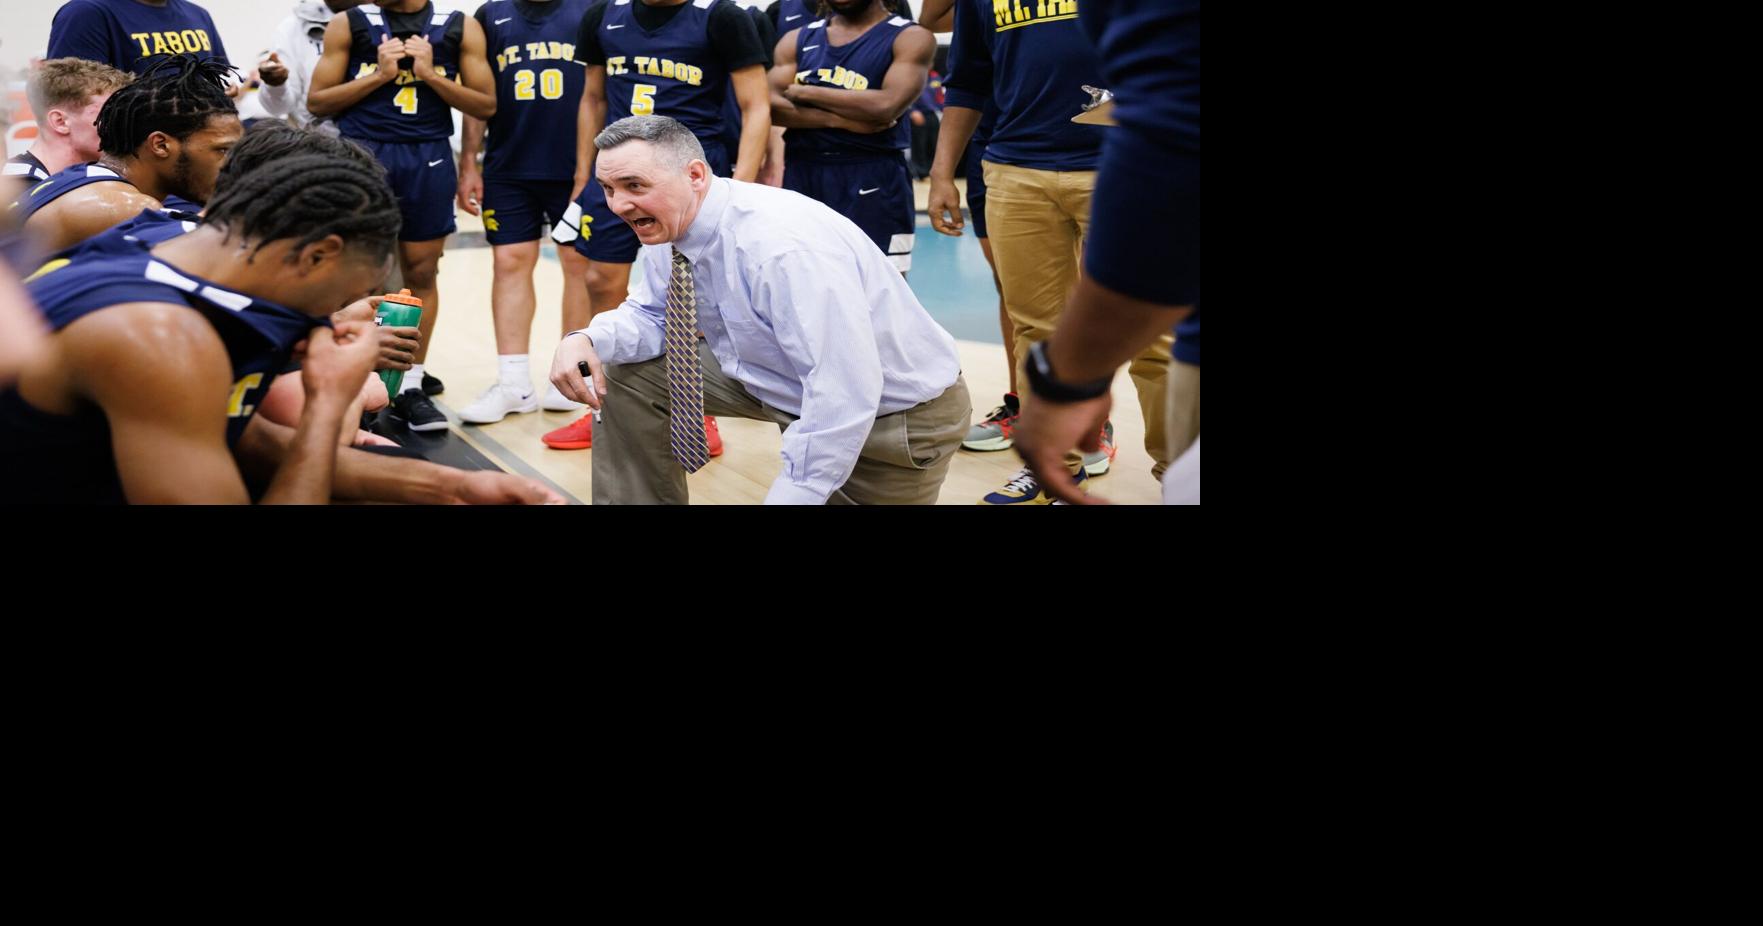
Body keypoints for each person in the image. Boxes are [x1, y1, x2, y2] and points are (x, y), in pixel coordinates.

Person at [0, 151, 562, 504]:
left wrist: (457, 486)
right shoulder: (161, 338)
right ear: (318, 254)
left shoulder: (162, 250)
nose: (333, 314)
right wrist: (327, 402)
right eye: (343, 294)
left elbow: (257, 446)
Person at [549, 115, 969, 504]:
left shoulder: (781, 250)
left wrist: (796, 490)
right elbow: (652, 315)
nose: (618, 204)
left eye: (634, 185)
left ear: (695, 174)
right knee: (624, 369)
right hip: (785, 380)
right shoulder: (670, 221)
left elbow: (845, 388)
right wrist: (587, 338)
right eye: (609, 189)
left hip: (892, 416)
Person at [930, 0, 1171, 504]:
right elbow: (970, 80)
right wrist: (941, 170)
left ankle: (1179, 474)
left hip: (1129, 162)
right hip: (1016, 170)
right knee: (1037, 332)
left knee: (1157, 338)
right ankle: (1052, 471)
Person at [542, 0, 772, 453]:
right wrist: (584, 173)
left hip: (687, 174)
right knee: (599, 278)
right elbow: (592, 97)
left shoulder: (721, 15)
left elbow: (756, 104)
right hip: (618, 172)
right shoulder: (603, 16)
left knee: (694, 299)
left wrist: (740, 186)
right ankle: (600, 408)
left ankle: (699, 415)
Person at [1011, 0, 1199, 505]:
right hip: (1021, 160)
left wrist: (1067, 381)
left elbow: (1173, 146)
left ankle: (1167, 471)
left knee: (1156, 345)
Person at [307, 0, 498, 433]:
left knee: (422, 271)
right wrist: (379, 75)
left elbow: (485, 105)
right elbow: (316, 101)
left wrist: (431, 75)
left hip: (428, 155)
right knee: (355, 274)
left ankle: (409, 384)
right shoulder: (348, 23)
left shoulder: (458, 27)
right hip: (362, 153)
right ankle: (358, 376)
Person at [453, 0, 595, 425]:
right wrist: (468, 164)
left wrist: (592, 169)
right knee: (509, 262)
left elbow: (599, 93)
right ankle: (514, 383)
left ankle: (575, 374)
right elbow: (479, 99)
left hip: (577, 165)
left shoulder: (592, 10)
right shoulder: (490, 15)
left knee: (578, 265)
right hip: (508, 166)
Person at [10, 55, 240, 256]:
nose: (230, 164)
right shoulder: (123, 206)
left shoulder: (84, 176)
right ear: (160, 145)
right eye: (221, 150)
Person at [769, 0, 932, 273]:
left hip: (873, 176)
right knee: (805, 284)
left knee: (880, 288)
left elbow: (885, 106)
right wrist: (837, 118)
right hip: (804, 172)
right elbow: (770, 106)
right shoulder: (796, 39)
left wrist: (807, 92)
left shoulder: (910, 36)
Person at [4, 59, 134, 193]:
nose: (121, 125)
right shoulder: (15, 187)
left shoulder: (94, 179)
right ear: (60, 121)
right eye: (108, 113)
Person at [259, 1, 370, 129]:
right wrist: (276, 85)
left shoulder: (388, 19)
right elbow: (279, 109)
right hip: (319, 142)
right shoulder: (293, 27)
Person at [46, 0, 231, 77]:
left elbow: (222, 76)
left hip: (198, 145)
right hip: (130, 152)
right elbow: (71, 99)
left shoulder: (198, 15)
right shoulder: (86, 13)